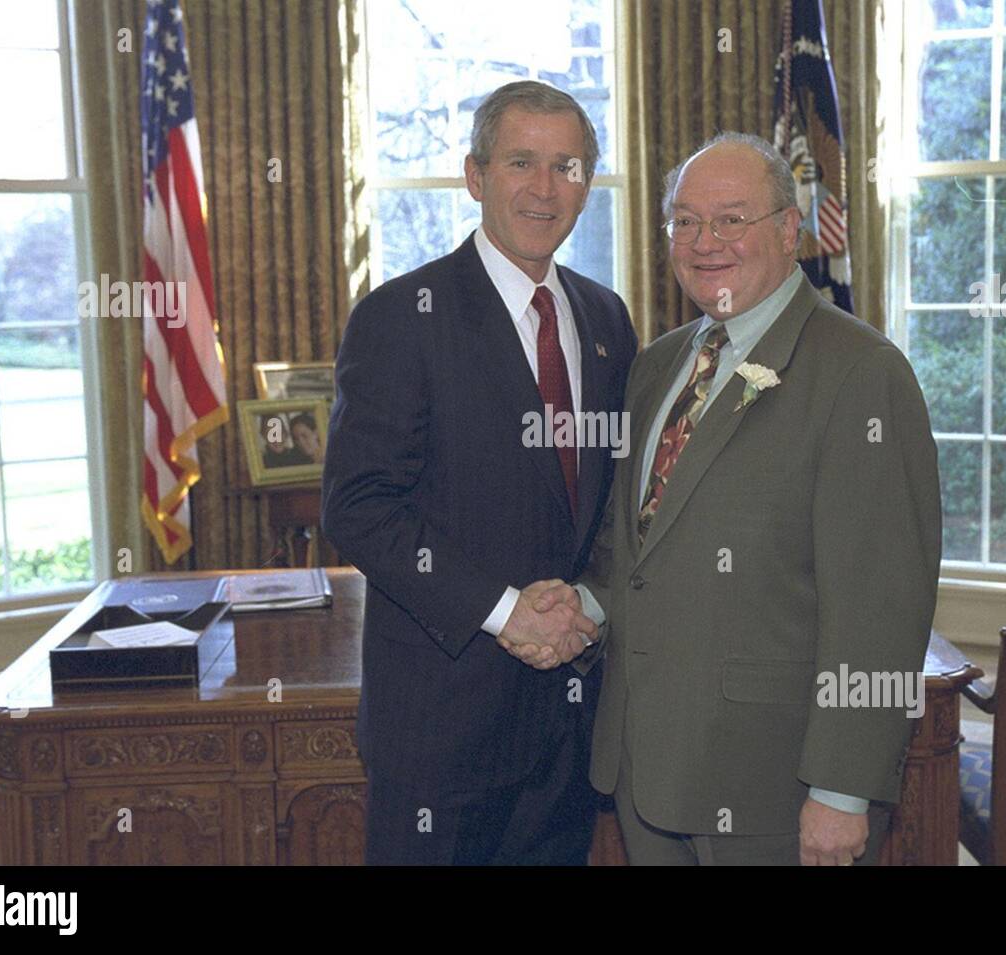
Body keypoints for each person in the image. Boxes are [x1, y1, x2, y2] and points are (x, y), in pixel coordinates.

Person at [518, 132, 941, 865]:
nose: (704, 241)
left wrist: (841, 791)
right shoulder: (657, 366)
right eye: (685, 221)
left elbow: (881, 605)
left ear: (789, 228)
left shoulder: (862, 373)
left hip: (776, 787)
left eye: (730, 219)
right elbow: (634, 551)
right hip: (644, 772)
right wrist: (578, 609)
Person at [321, 81, 638, 865]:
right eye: (520, 162)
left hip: (568, 722)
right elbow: (360, 507)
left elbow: (612, 504)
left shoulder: (606, 319)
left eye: (566, 166)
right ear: (475, 175)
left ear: (587, 184)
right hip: (442, 731)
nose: (544, 187)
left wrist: (585, 607)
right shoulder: (402, 316)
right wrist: (505, 611)